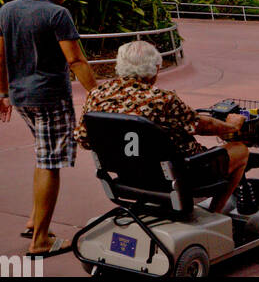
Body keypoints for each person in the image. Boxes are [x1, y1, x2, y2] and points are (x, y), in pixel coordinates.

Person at [75, 39, 248, 212]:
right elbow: (202, 125)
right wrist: (231, 126)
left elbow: (83, 139)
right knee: (240, 150)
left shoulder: (96, 95)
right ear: (156, 69)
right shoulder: (163, 99)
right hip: (178, 174)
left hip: (127, 176)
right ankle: (216, 213)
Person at [0, 0, 98, 258]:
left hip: (21, 97)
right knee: (50, 163)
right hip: (49, 98)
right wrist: (100, 95)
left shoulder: (7, 10)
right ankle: (40, 239)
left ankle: (34, 220)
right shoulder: (57, 13)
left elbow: (0, 56)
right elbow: (76, 60)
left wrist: (2, 93)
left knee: (43, 156)